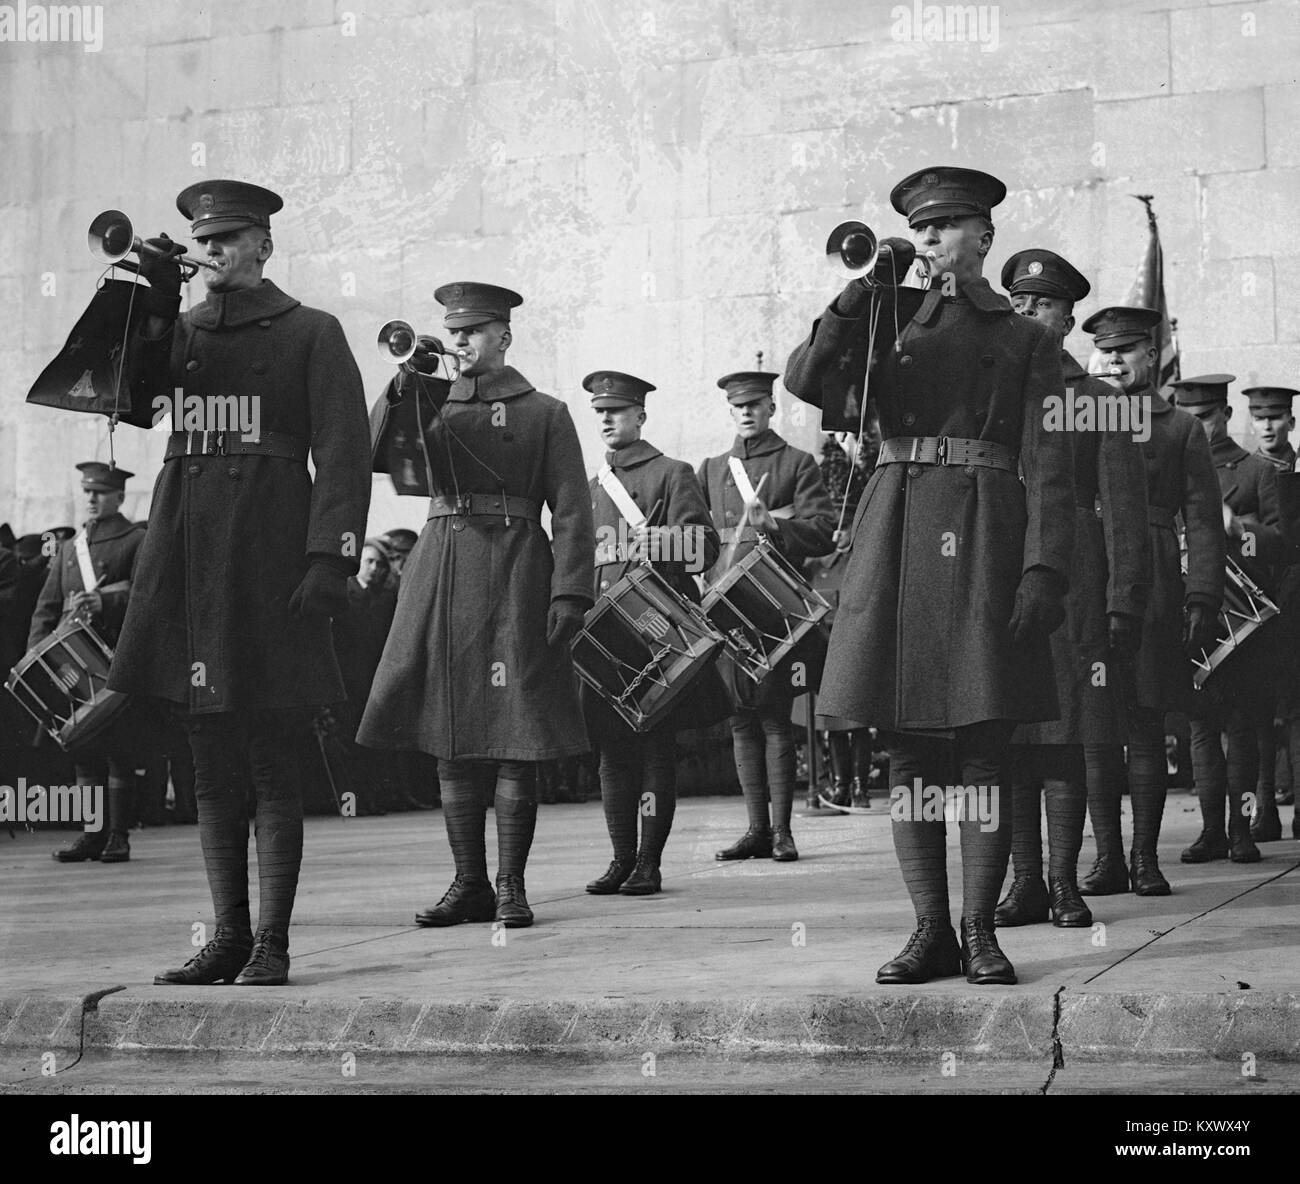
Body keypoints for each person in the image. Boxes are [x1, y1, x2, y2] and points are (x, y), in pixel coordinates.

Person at [785, 166, 1076, 985]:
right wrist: (856, 295)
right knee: (908, 749)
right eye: (923, 229)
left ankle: (980, 931)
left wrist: (1044, 569)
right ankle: (929, 931)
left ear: (984, 236)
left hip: (986, 529)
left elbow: (1050, 465)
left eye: (948, 227)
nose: (932, 241)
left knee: (983, 745)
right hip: (899, 530)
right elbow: (808, 382)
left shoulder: (1027, 340)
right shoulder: (887, 322)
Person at [107, 179, 372, 985]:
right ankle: (226, 934)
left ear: (264, 244)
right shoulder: (180, 331)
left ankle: (273, 943)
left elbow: (345, 450)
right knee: (208, 757)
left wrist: (331, 557)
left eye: (227, 239)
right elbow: (128, 402)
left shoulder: (312, 333)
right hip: (188, 558)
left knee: (272, 756)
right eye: (203, 240)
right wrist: (147, 310)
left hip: (269, 562)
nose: (212, 251)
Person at [359, 282, 594, 930]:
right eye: (454, 331)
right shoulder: (429, 399)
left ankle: (511, 885)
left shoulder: (544, 411)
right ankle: (469, 884)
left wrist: (571, 590)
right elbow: (374, 452)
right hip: (444, 573)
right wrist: (406, 382)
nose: (461, 341)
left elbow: (573, 507)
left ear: (506, 337)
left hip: (518, 573)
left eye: (476, 330)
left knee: (515, 735)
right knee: (451, 738)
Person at [990, 253, 1151, 930]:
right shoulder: (995, 389)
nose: (1028, 312)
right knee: (1011, 737)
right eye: (1019, 302)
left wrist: (1122, 602)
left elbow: (1123, 509)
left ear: (1067, 317)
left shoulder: (1098, 402)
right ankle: (1024, 882)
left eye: (1043, 304)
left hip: (1077, 589)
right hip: (1002, 576)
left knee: (1065, 737)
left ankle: (1062, 883)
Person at [1077, 317, 1225, 896]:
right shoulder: (1076, 416)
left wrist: (1203, 595)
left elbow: (1205, 520)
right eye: (1102, 351)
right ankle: (1106, 859)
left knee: (1143, 722)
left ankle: (1144, 859)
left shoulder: (1182, 427)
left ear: (1152, 354)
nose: (1112, 362)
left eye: (1125, 351)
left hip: (1155, 581)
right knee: (1093, 728)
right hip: (1088, 579)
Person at [581, 370, 726, 895]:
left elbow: (704, 550)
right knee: (610, 750)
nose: (606, 419)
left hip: (656, 631)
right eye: (599, 411)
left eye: (616, 411)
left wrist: (658, 541)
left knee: (654, 747)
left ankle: (649, 862)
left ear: (640, 415)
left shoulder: (674, 473)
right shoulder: (591, 486)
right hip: (604, 635)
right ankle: (620, 858)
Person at [697, 371, 836, 863]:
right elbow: (697, 540)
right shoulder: (712, 470)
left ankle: (782, 832)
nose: (747, 412)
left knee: (776, 719)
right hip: (727, 612)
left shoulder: (796, 463)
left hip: (777, 610)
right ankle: (755, 829)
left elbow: (823, 532)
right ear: (730, 412)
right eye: (739, 407)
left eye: (756, 404)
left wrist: (774, 524)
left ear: (771, 407)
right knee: (740, 720)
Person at [1172, 374, 1283, 865]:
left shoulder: (1257, 471)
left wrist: (1239, 529)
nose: (1194, 427)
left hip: (1245, 624)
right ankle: (1211, 829)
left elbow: (1282, 544)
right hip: (1194, 616)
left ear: (1225, 417)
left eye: (1204, 419)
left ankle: (1242, 829)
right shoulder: (1171, 467)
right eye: (1188, 418)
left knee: (1240, 730)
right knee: (1200, 728)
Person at [28, 462, 146, 863]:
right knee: (82, 749)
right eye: (87, 492)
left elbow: (150, 597)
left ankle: (118, 836)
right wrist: (37, 655)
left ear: (119, 497)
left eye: (100, 492)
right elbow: (46, 608)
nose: (92, 499)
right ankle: (91, 834)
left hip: (115, 661)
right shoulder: (68, 550)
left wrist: (109, 600)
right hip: (72, 664)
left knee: (119, 749)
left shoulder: (136, 541)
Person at [810, 431, 878, 809]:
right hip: (824, 649)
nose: (838, 531)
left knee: (858, 721)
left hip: (853, 646)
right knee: (831, 723)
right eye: (832, 523)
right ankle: (839, 785)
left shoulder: (860, 558)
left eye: (845, 523)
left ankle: (860, 786)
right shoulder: (817, 564)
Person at [1244, 386, 1300, 835]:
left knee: (1297, 708)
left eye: (1276, 418)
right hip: (1256, 604)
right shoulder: (1245, 473)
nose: (1266, 426)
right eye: (1259, 418)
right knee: (1258, 708)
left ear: (1290, 423)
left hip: (1296, 601)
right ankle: (1263, 809)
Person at [329, 538, 399, 814]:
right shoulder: (343, 595)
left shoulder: (385, 599)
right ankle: (354, 803)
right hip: (349, 683)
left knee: (373, 747)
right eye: (369, 561)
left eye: (380, 564)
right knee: (350, 746)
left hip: (375, 683)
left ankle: (374, 799)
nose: (374, 568)